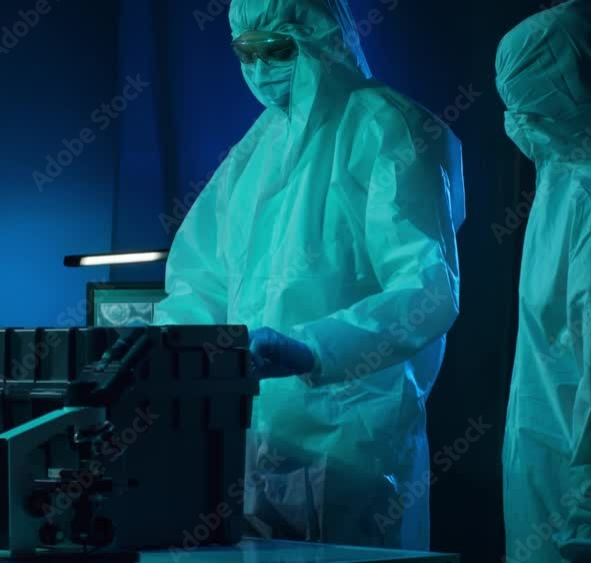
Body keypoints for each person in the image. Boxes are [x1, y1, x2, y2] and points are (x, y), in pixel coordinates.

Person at [152, 0, 465, 550]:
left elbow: (426, 289)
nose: (259, 69)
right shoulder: (256, 148)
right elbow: (200, 278)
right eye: (245, 54)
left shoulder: (387, 127)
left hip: (355, 441)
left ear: (320, 38)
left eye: (275, 50)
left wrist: (313, 348)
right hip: (252, 436)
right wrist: (169, 350)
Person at [496, 2, 591, 562]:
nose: (516, 121)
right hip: (546, 509)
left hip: (588, 535)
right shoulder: (563, 177)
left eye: (530, 107)